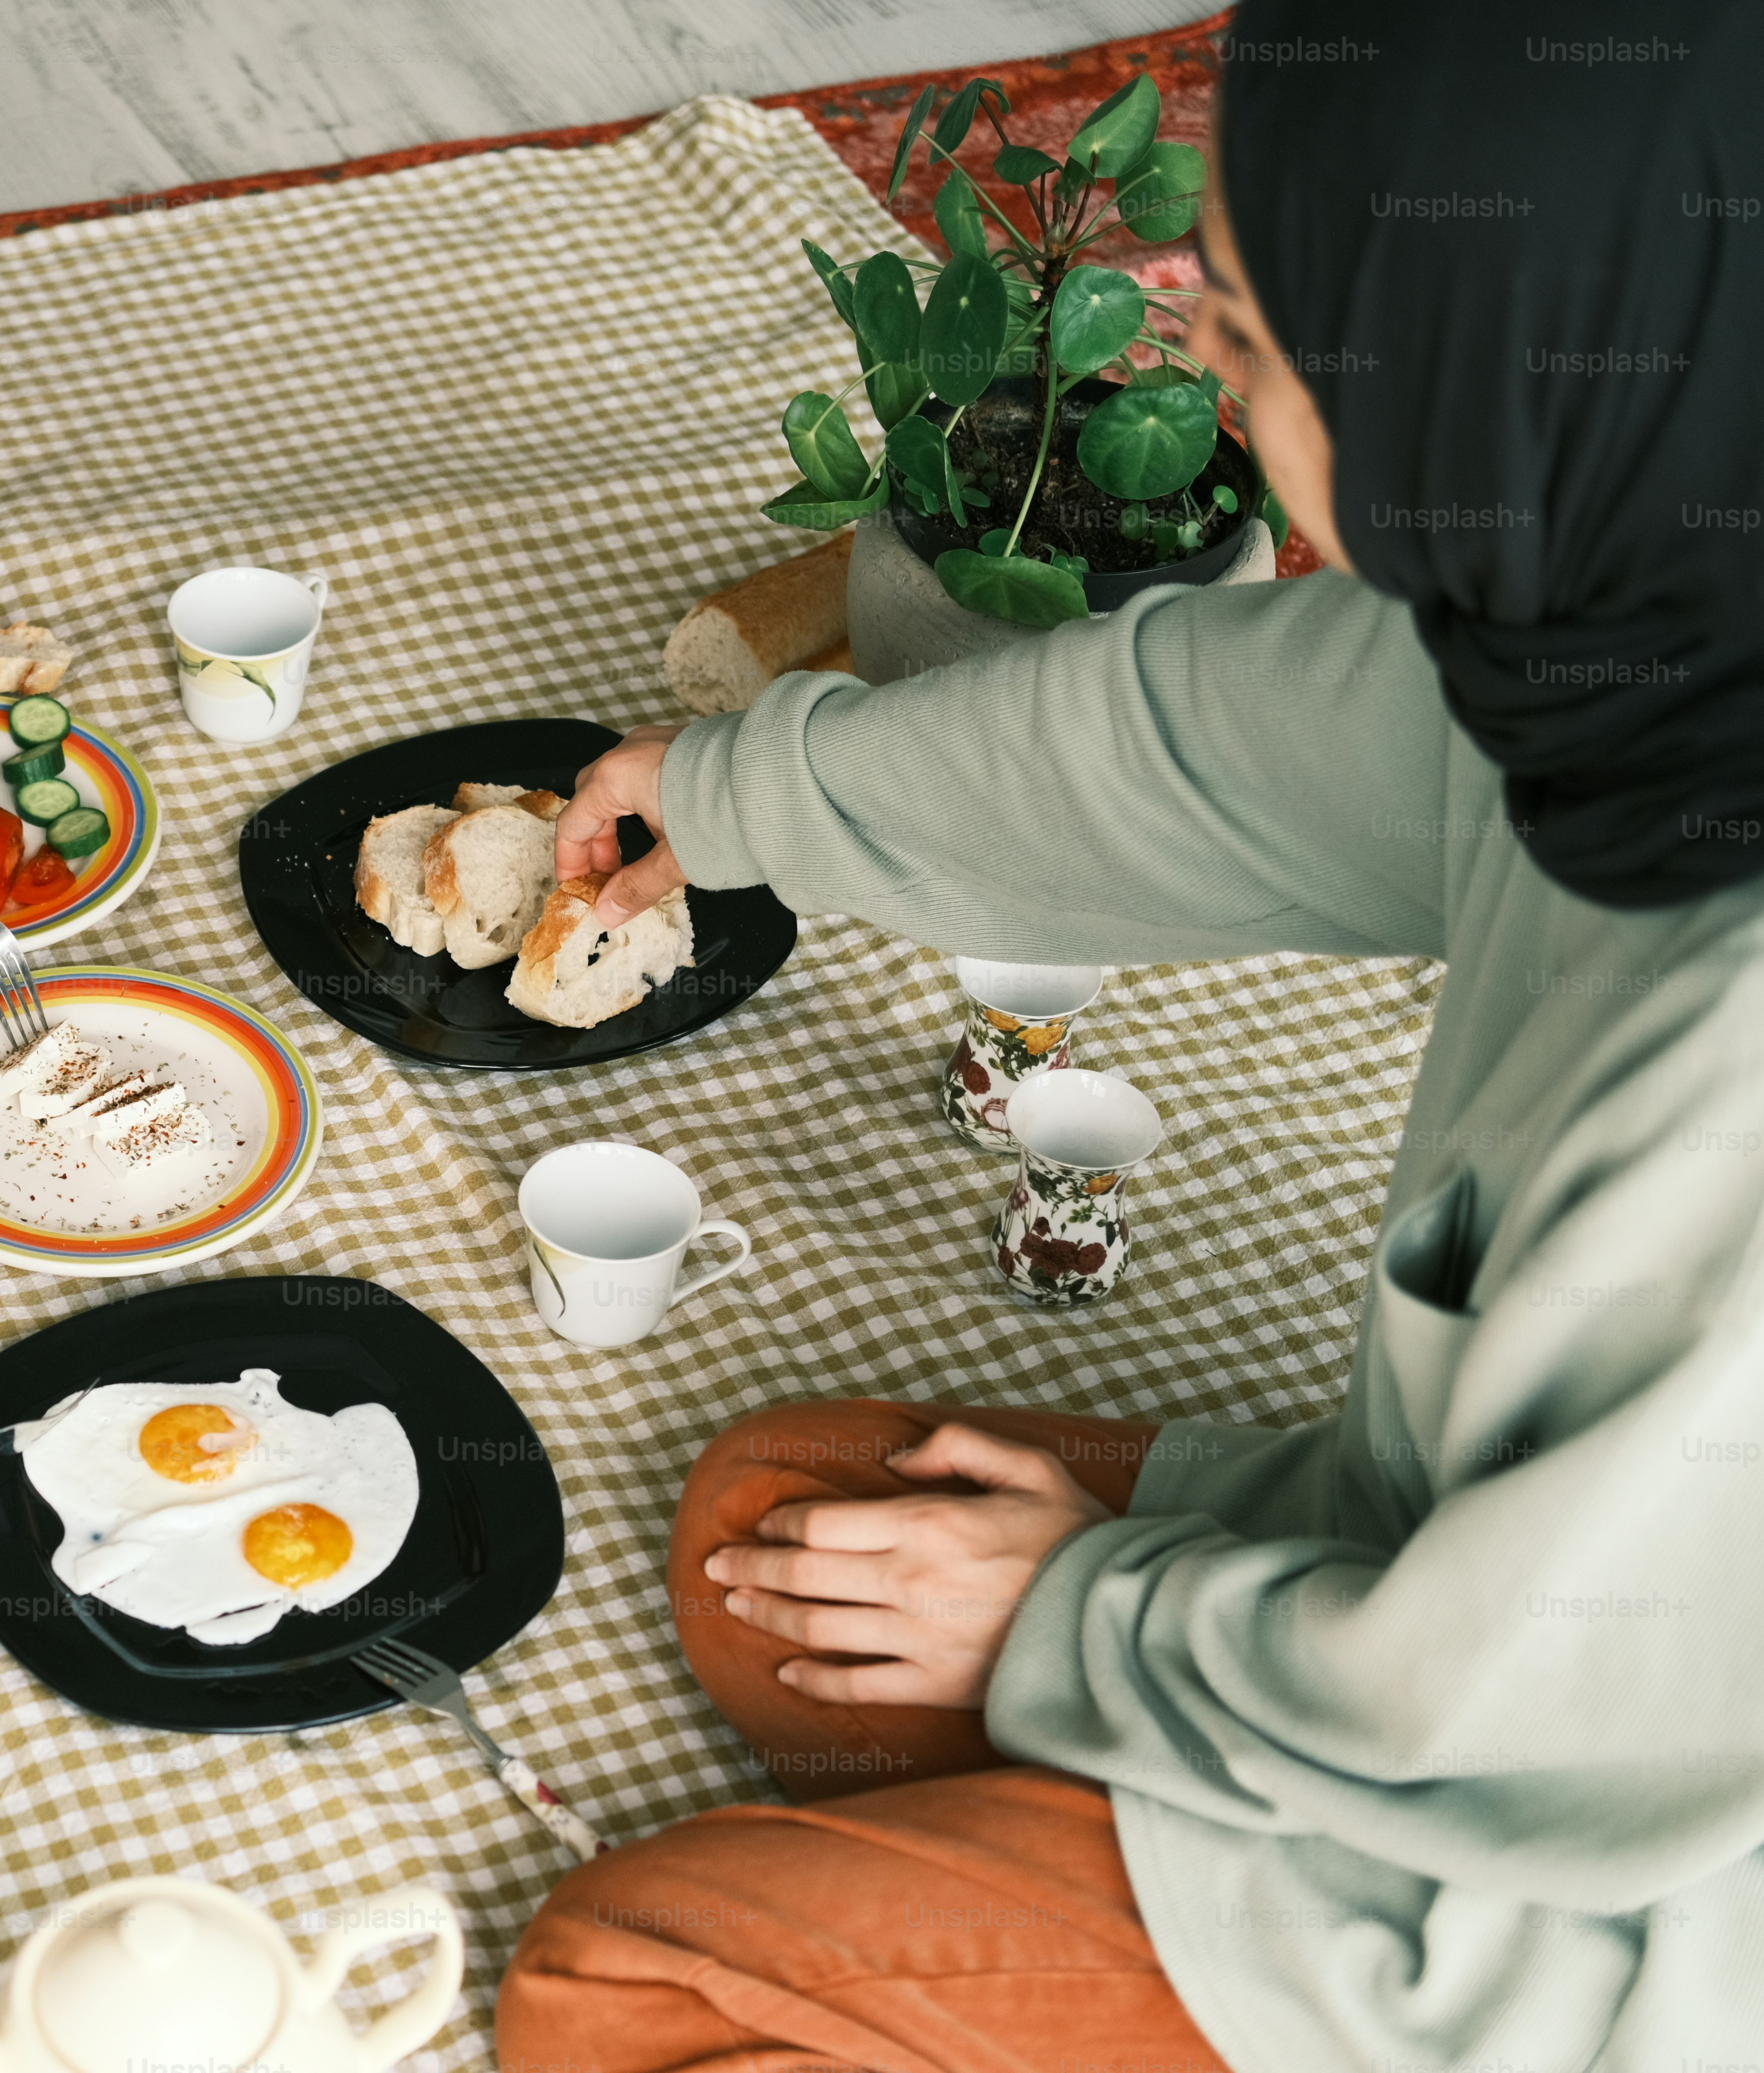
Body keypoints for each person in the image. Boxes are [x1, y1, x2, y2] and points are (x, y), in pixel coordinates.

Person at [495, 1, 1764, 2068]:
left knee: (622, 1979)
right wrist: (732, 796)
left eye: (1259, 304)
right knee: (772, 1537)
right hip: (1462, 1614)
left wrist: (1074, 1618)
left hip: (1612, 1884)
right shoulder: (1645, 581)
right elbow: (1212, 746)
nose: (1175, 308)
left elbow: (1557, 1726)